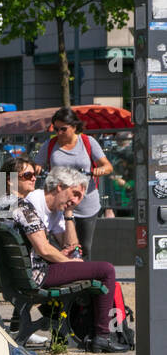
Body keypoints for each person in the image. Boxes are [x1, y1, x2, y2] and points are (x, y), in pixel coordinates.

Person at [11, 166, 127, 353]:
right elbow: (44, 249)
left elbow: (72, 249)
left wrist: (69, 214)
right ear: (59, 186)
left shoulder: (54, 208)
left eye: (80, 197)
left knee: (92, 268)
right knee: (106, 270)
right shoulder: (33, 203)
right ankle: (103, 336)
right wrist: (68, 262)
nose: (76, 200)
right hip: (38, 273)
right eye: (74, 194)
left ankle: (90, 332)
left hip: (28, 271)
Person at [36, 107, 113, 256]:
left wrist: (99, 170)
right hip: (60, 203)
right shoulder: (50, 144)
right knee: (63, 246)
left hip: (85, 204)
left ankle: (85, 277)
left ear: (74, 127)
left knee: (84, 247)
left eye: (63, 129)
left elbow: (108, 166)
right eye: (55, 129)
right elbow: (37, 165)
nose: (59, 133)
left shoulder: (87, 142)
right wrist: (37, 169)